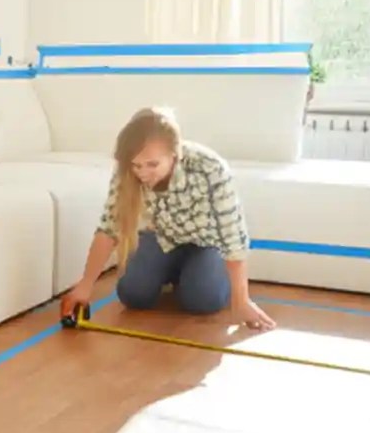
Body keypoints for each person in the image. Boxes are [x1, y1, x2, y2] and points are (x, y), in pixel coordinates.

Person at [59, 106, 277, 331]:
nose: (142, 173)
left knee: (202, 300)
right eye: (137, 165)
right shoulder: (128, 168)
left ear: (175, 154)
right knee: (133, 294)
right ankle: (175, 274)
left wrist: (241, 301)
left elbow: (233, 237)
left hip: (206, 245)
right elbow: (109, 227)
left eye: (152, 164)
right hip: (160, 238)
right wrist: (85, 285)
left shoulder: (210, 168)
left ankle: (198, 276)